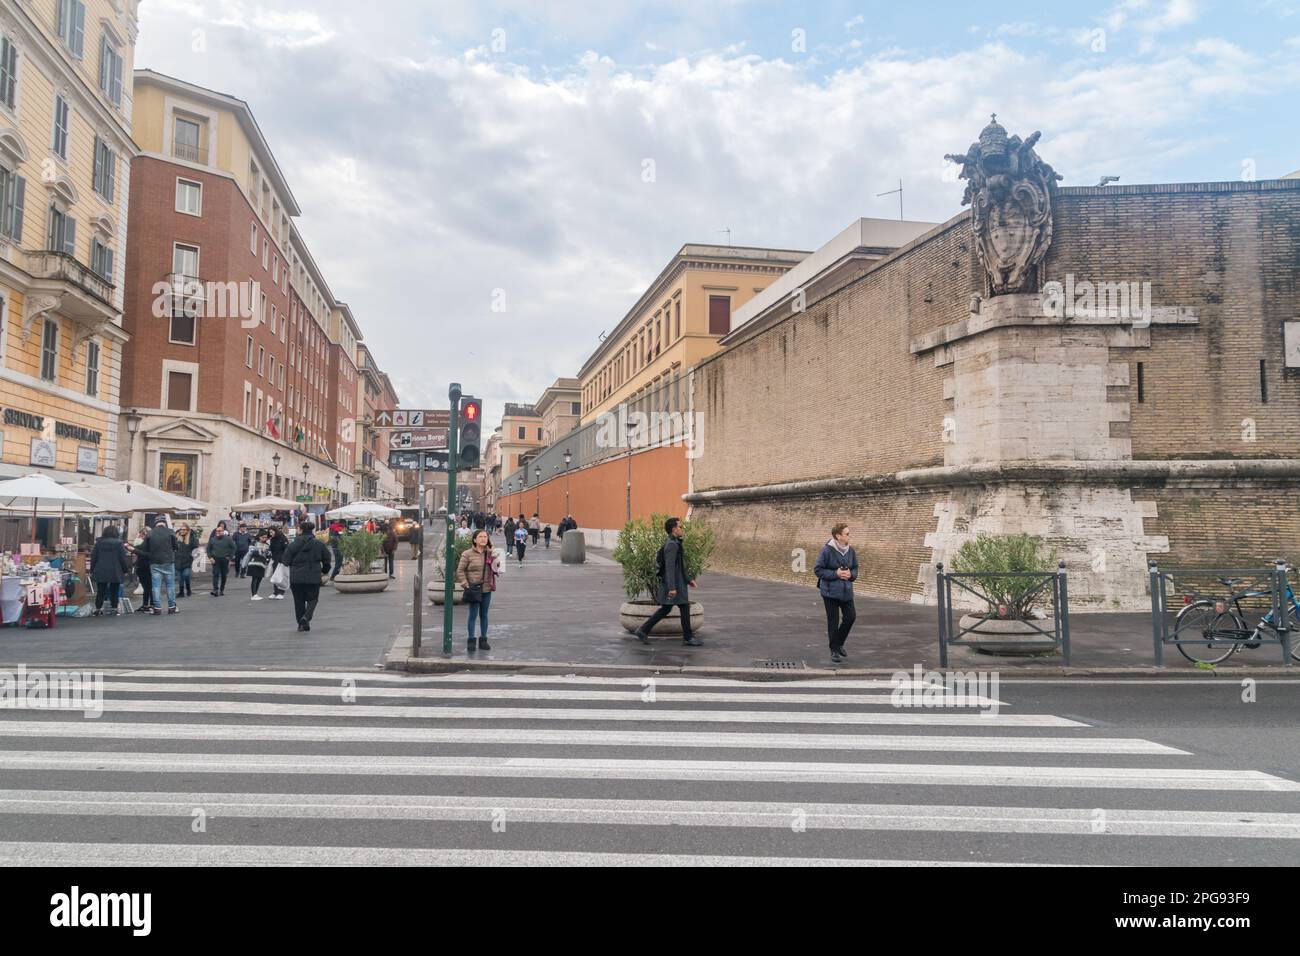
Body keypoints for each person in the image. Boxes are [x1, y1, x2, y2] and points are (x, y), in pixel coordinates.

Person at [633, 517, 700, 646]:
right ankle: (688, 637)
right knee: (682, 607)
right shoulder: (672, 545)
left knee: (668, 609)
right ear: (674, 529)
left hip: (677, 581)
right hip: (674, 584)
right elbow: (669, 567)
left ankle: (643, 630)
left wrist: (688, 579)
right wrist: (672, 588)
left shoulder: (675, 542)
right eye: (680, 527)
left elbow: (679, 565)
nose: (682, 529)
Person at [814, 523, 858, 663]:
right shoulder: (827, 550)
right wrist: (836, 574)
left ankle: (839, 643)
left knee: (850, 617)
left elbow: (856, 568)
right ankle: (834, 650)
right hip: (830, 593)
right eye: (847, 534)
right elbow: (818, 570)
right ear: (838, 536)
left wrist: (851, 575)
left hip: (846, 592)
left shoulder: (850, 551)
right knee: (833, 621)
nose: (849, 536)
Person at [456, 529, 501, 652]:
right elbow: (460, 571)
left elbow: (498, 570)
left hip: (487, 588)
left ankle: (483, 640)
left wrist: (497, 559)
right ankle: (471, 640)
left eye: (485, 537)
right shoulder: (467, 554)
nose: (483, 539)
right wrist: (466, 585)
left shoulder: (491, 553)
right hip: (474, 589)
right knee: (473, 614)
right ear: (475, 539)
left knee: (484, 615)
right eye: (480, 536)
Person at [284, 520, 332, 632]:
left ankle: (301, 624)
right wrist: (325, 570)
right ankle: (306, 617)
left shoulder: (293, 544)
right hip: (313, 575)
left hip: (296, 577)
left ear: (300, 530)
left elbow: (285, 560)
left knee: (298, 601)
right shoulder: (319, 544)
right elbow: (327, 559)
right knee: (313, 599)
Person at [89, 525, 130, 616]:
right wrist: (125, 570)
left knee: (101, 591)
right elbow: (122, 558)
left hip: (101, 569)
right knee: (114, 590)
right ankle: (114, 608)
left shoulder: (99, 543)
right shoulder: (119, 544)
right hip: (115, 570)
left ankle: (98, 608)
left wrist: (92, 570)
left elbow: (94, 557)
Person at [145, 516, 181, 615]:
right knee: (170, 585)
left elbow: (146, 548)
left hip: (155, 562)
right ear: (164, 523)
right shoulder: (170, 532)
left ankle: (157, 607)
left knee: (156, 586)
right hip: (168, 561)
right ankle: (172, 607)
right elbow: (176, 546)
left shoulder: (150, 533)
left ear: (155, 523)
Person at [207, 522, 236, 596]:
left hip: (224, 559)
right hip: (215, 559)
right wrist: (210, 557)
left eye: (220, 531)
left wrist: (230, 557)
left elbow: (234, 548)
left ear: (223, 531)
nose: (218, 532)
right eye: (217, 531)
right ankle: (215, 590)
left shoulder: (228, 539)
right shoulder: (212, 539)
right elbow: (208, 549)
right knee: (215, 574)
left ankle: (222, 589)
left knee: (224, 575)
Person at [130, 530, 153, 612]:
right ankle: (146, 604)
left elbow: (146, 554)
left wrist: (133, 549)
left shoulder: (149, 545)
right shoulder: (144, 544)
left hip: (147, 567)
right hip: (143, 567)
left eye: (142, 535)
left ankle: (150, 604)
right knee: (147, 587)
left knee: (149, 587)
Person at [246, 531, 272, 600]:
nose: (265, 539)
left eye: (266, 537)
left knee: (259, 579)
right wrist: (261, 550)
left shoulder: (267, 544)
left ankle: (256, 594)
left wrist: (268, 557)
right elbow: (251, 551)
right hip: (254, 563)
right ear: (259, 537)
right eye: (263, 537)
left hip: (262, 564)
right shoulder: (254, 542)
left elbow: (268, 554)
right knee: (254, 578)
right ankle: (253, 594)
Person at [175, 524, 196, 598]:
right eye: (181, 529)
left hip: (187, 560)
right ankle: (181, 592)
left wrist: (192, 534)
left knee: (186, 575)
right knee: (180, 578)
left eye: (184, 529)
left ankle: (188, 588)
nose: (182, 531)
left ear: (187, 530)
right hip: (178, 560)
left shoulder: (190, 538)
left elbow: (195, 545)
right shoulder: (177, 537)